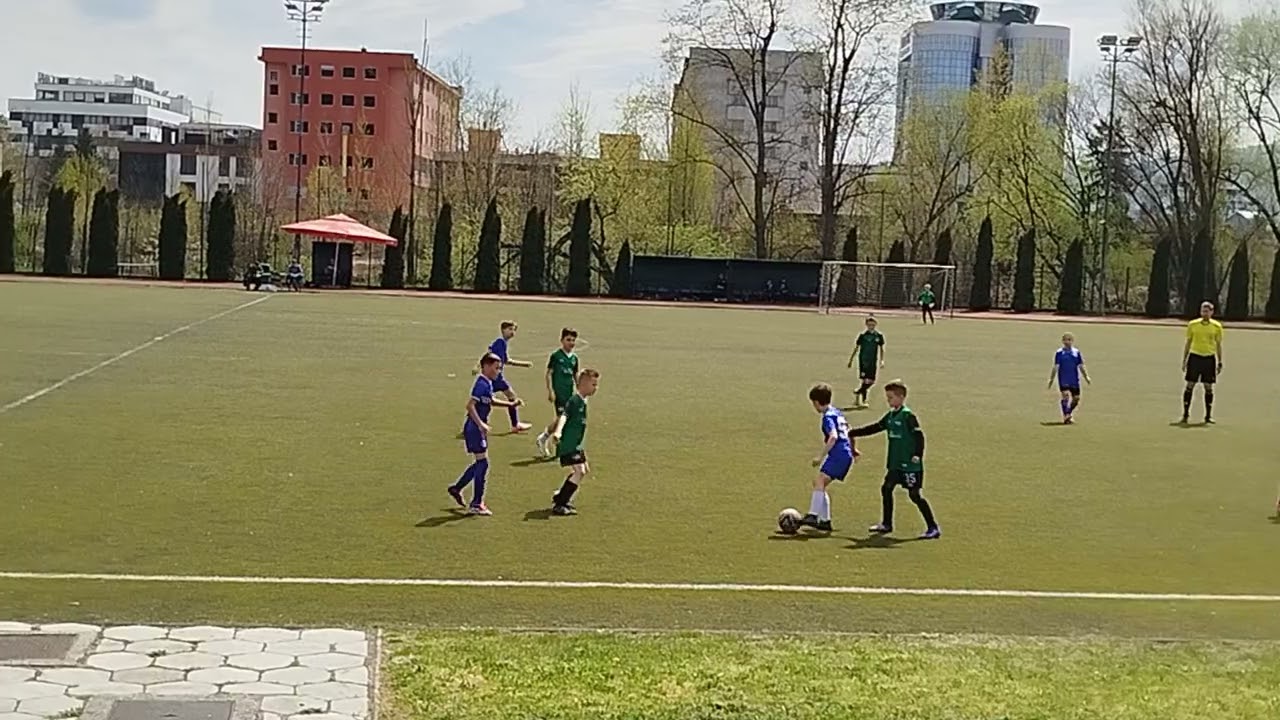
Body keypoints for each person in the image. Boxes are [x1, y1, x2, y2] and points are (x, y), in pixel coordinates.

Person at [850, 380, 941, 540]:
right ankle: (886, 524)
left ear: (901, 397)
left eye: (891, 397)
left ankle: (933, 527)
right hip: (895, 464)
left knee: (914, 495)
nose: (888, 400)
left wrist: (917, 454)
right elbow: (876, 427)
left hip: (910, 466)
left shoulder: (908, 416)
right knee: (886, 489)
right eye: (888, 397)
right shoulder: (891, 416)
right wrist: (853, 432)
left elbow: (919, 436)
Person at [448, 352, 524, 515]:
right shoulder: (481, 384)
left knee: (481, 462)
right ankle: (476, 503)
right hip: (475, 427)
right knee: (483, 463)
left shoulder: (487, 383)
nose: (498, 371)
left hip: (476, 427)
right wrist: (481, 423)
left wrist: (511, 404)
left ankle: (457, 488)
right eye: (496, 368)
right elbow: (470, 405)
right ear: (486, 366)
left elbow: (491, 401)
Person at [798, 383, 857, 533]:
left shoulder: (827, 417)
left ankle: (813, 515)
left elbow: (833, 437)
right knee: (820, 483)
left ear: (817, 402)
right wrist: (853, 449)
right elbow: (849, 431)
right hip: (845, 454)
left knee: (819, 481)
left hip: (839, 454)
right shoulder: (837, 412)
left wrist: (820, 456)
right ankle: (825, 521)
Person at [550, 369, 601, 516]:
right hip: (569, 444)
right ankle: (560, 503)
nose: (595, 388)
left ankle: (561, 497)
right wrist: (558, 431)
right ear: (583, 384)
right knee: (580, 471)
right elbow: (564, 416)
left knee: (583, 470)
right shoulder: (574, 401)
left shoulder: (583, 401)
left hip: (577, 445)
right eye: (593, 384)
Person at [537, 328, 581, 458]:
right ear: (562, 340)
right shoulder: (556, 356)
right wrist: (550, 391)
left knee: (563, 420)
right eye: (568, 340)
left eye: (573, 340)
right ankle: (553, 443)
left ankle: (545, 438)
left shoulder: (574, 358)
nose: (571, 343)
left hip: (570, 393)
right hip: (559, 394)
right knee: (562, 418)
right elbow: (549, 374)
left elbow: (575, 375)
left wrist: (579, 391)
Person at [486, 321, 534, 433]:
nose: (512, 332)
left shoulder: (502, 343)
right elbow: (489, 356)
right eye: (510, 329)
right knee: (485, 400)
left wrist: (523, 364)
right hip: (494, 377)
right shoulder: (500, 343)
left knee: (508, 396)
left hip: (497, 376)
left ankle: (515, 425)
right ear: (503, 330)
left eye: (514, 330)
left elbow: (506, 360)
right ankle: (515, 425)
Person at [1181, 301, 1224, 424]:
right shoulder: (1193, 325)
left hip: (1209, 358)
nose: (1204, 313)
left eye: (1207, 311)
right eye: (1203, 310)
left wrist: (1220, 361)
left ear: (1212, 312)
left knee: (1208, 387)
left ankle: (1208, 416)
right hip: (1195, 357)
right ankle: (1185, 414)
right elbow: (1188, 342)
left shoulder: (1217, 326)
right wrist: (1184, 359)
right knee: (1190, 385)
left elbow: (1218, 345)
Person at [1047, 333, 1090, 424]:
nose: (1067, 342)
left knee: (1076, 398)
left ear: (1072, 341)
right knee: (1065, 396)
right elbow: (1056, 366)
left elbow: (1081, 365)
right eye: (1065, 340)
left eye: (1069, 340)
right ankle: (1066, 415)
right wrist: (1051, 378)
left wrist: (1086, 376)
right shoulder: (1059, 353)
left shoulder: (1076, 352)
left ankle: (1068, 413)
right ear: (1063, 341)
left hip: (1074, 379)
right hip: (1063, 379)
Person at [847, 316, 885, 409]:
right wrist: (851, 360)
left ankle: (858, 392)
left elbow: (882, 349)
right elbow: (856, 348)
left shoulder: (879, 336)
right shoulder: (862, 336)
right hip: (863, 361)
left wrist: (882, 360)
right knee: (865, 380)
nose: (871, 326)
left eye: (872, 325)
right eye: (869, 325)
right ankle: (864, 400)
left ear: (875, 325)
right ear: (866, 325)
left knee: (872, 381)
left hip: (873, 361)